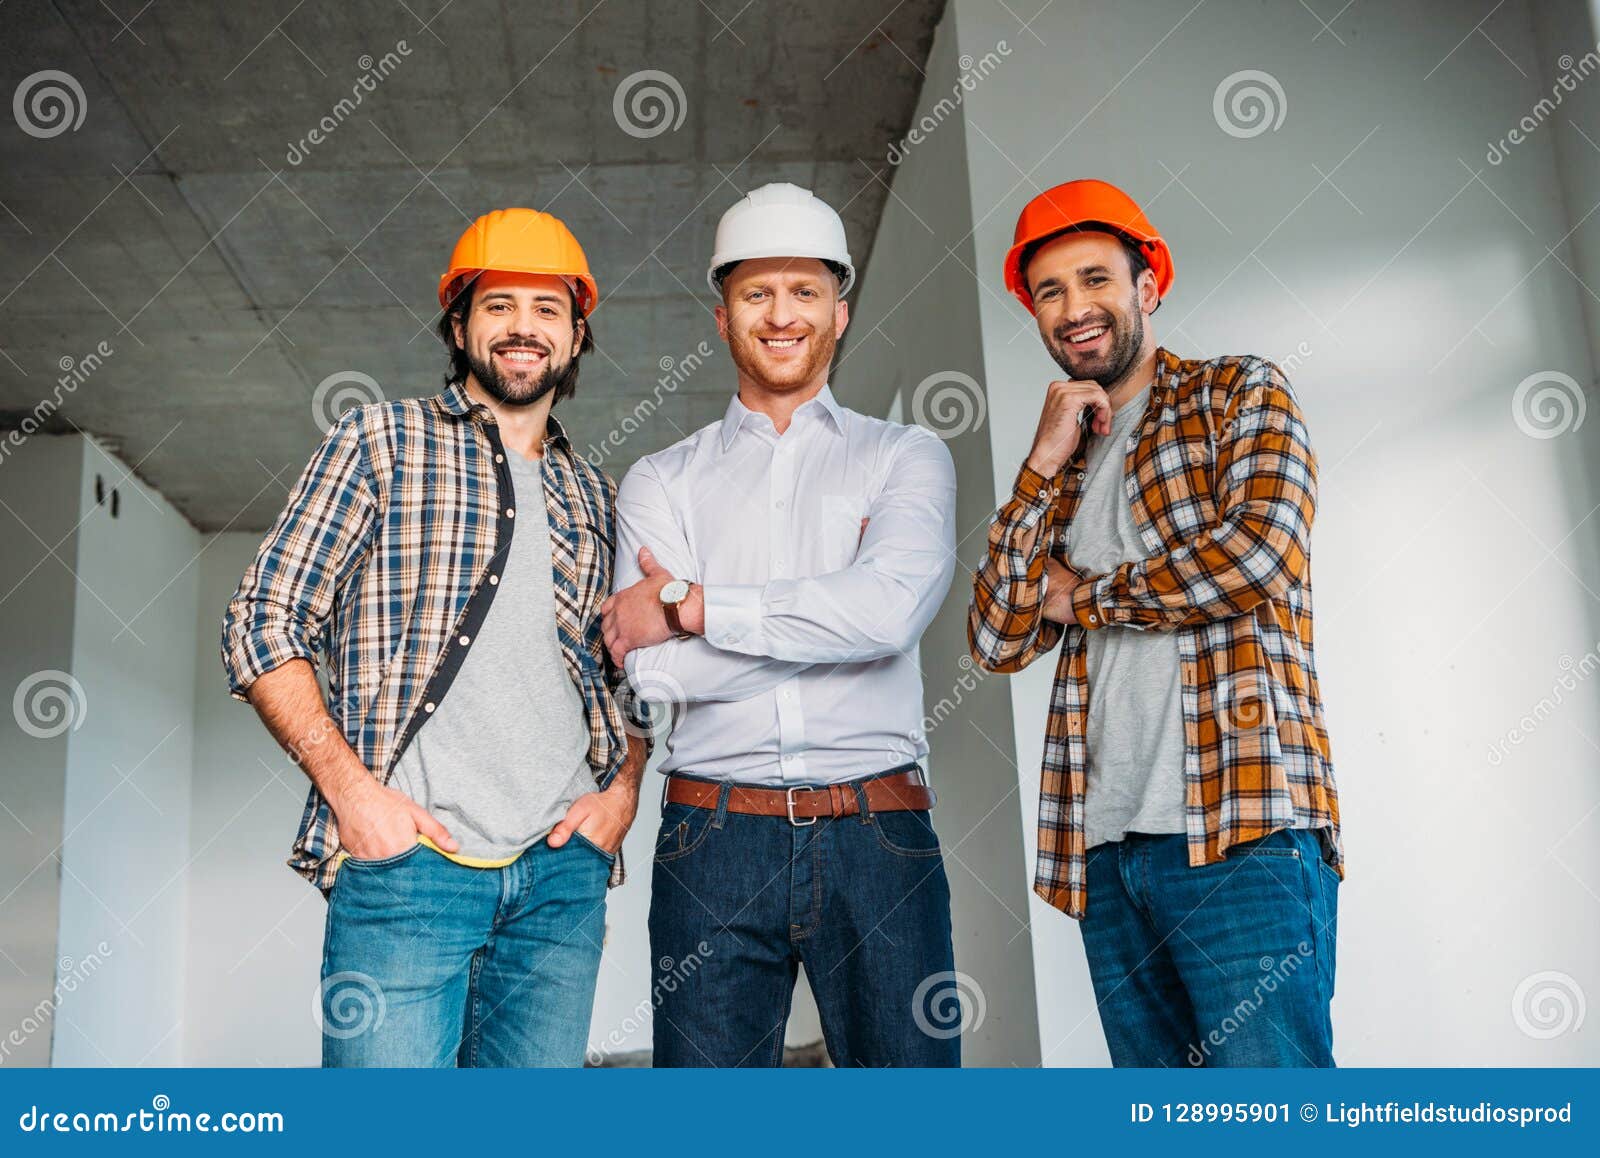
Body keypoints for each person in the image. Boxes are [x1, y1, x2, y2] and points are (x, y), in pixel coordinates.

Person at [222, 208, 648, 1067]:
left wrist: (625, 790)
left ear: (575, 338)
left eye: (547, 309)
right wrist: (354, 796)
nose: (523, 327)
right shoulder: (379, 442)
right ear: (459, 324)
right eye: (497, 305)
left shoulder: (597, 494)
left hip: (560, 880)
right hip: (409, 872)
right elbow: (260, 620)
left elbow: (629, 672)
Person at [968, 179, 1343, 1067]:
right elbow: (995, 639)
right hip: (1107, 852)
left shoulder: (1237, 394)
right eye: (1050, 292)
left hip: (1241, 828)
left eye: (1095, 279)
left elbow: (1257, 556)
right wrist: (1039, 464)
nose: (1074, 309)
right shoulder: (1065, 462)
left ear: (1148, 284)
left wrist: (1082, 597)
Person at [601, 183, 961, 1067]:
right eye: (756, 294)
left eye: (804, 292)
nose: (781, 315)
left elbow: (886, 613)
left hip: (880, 833)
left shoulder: (906, 456)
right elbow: (651, 682)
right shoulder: (660, 480)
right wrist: (833, 633)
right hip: (711, 837)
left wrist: (695, 608)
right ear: (722, 318)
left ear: (840, 312)